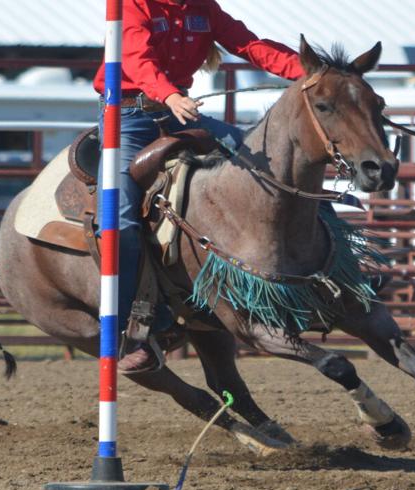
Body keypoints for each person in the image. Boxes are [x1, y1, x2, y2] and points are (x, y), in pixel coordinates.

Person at [96, 0, 308, 373]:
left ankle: (314, 267)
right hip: (128, 115)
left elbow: (249, 46)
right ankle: (131, 328)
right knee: (122, 220)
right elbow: (136, 58)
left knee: (265, 161)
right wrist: (170, 94)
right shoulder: (134, 5)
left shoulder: (204, 8)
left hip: (177, 111)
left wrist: (308, 72)